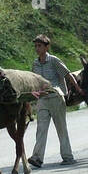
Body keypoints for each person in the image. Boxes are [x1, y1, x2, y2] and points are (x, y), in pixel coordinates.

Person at [30, 33, 76, 167]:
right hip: (42, 100)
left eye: (39, 46)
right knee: (41, 129)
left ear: (47, 47)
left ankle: (68, 157)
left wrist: (78, 90)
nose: (37, 48)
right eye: (36, 46)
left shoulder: (54, 60)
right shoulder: (35, 64)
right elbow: (34, 80)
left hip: (56, 97)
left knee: (61, 128)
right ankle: (37, 158)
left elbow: (68, 75)